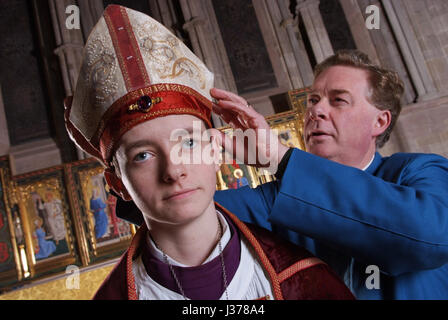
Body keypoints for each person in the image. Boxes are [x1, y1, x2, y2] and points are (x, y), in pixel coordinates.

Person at [64, 5, 353, 300]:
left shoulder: (306, 280)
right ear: (117, 184)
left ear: (216, 151)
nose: (173, 171)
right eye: (143, 156)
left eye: (188, 143)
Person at [209, 50, 448, 300]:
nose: (315, 111)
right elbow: (194, 216)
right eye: (313, 100)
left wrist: (280, 158)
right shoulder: (278, 197)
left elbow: (431, 236)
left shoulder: (420, 170)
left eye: (338, 100)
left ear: (380, 122)